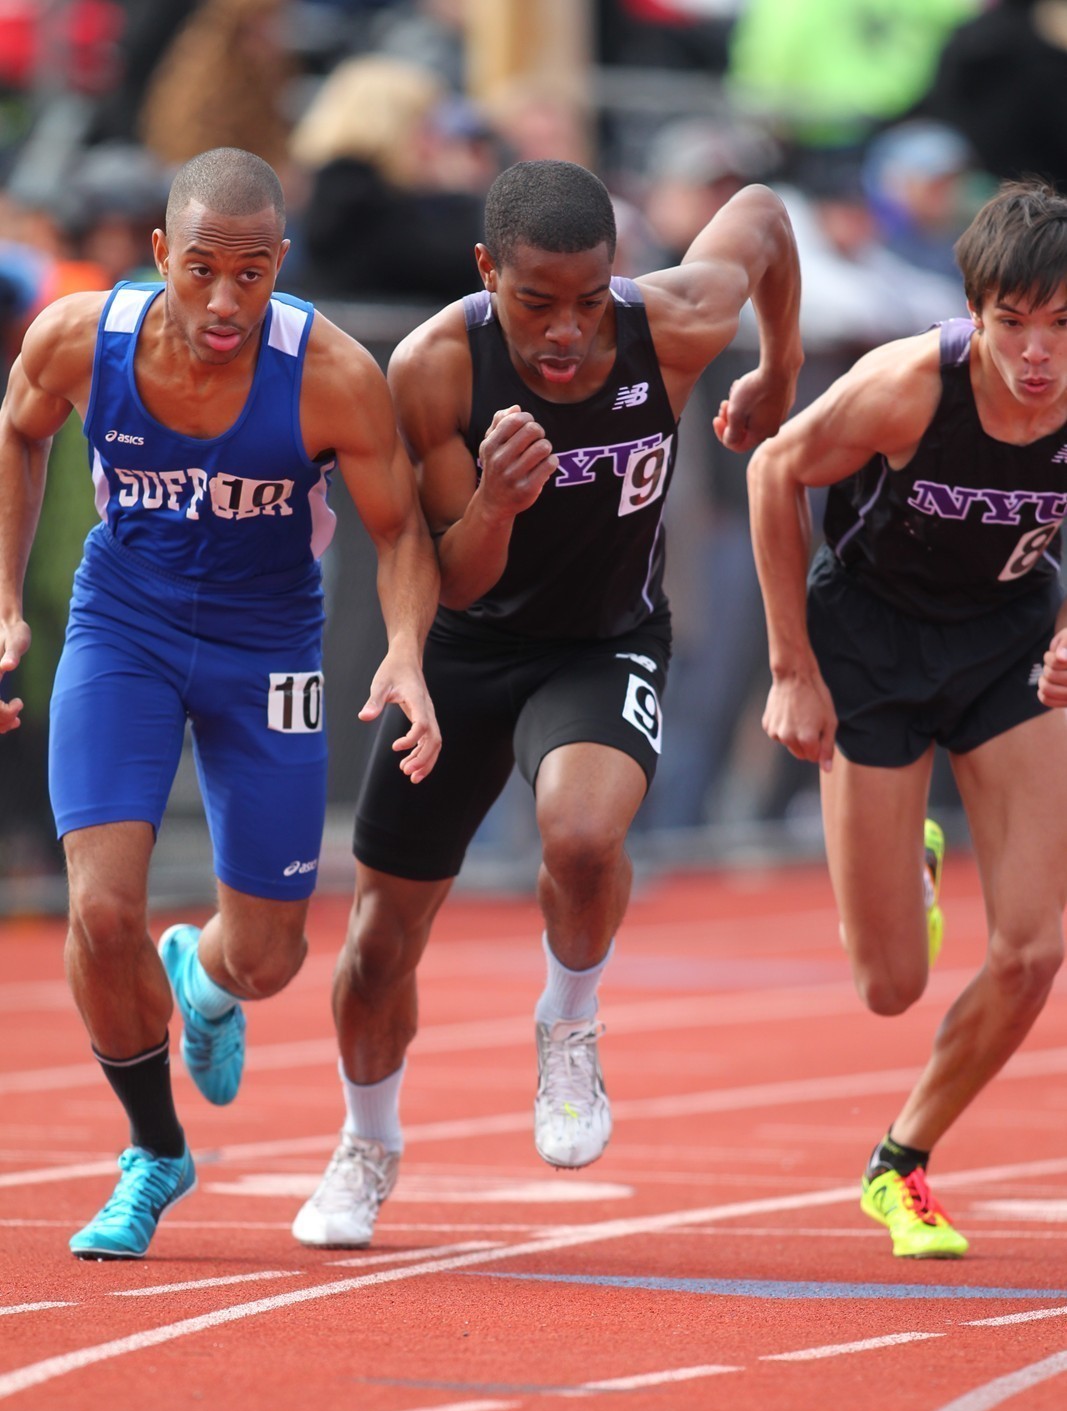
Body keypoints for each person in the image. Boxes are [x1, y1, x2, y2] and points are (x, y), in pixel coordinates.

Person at [291, 157, 803, 1248]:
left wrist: (778, 368)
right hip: (468, 648)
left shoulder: (669, 325)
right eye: (535, 303)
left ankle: (567, 1024)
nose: (565, 331)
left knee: (578, 834)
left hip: (605, 641)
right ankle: (366, 1143)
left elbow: (760, 217)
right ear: (487, 271)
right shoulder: (434, 368)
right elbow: (451, 579)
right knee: (378, 943)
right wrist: (496, 502)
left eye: (587, 299)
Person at [0, 146, 441, 1260]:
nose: (226, 302)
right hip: (124, 626)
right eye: (202, 270)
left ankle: (202, 978)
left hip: (268, 647)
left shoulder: (331, 373)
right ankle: (154, 1151)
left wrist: (404, 650)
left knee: (270, 959)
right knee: (101, 912)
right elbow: (19, 430)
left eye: (252, 274)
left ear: (281, 263)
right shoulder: (79, 337)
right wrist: (4, 601)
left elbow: (397, 530)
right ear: (161, 254)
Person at [745, 178, 1067, 1259]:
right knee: (887, 986)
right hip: (869, 646)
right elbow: (773, 469)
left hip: (1005, 645)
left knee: (1032, 949)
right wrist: (791, 669)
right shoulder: (905, 387)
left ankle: (900, 1159)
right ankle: (907, 862)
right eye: (1012, 324)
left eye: (1061, 325)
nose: (1036, 353)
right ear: (973, 313)